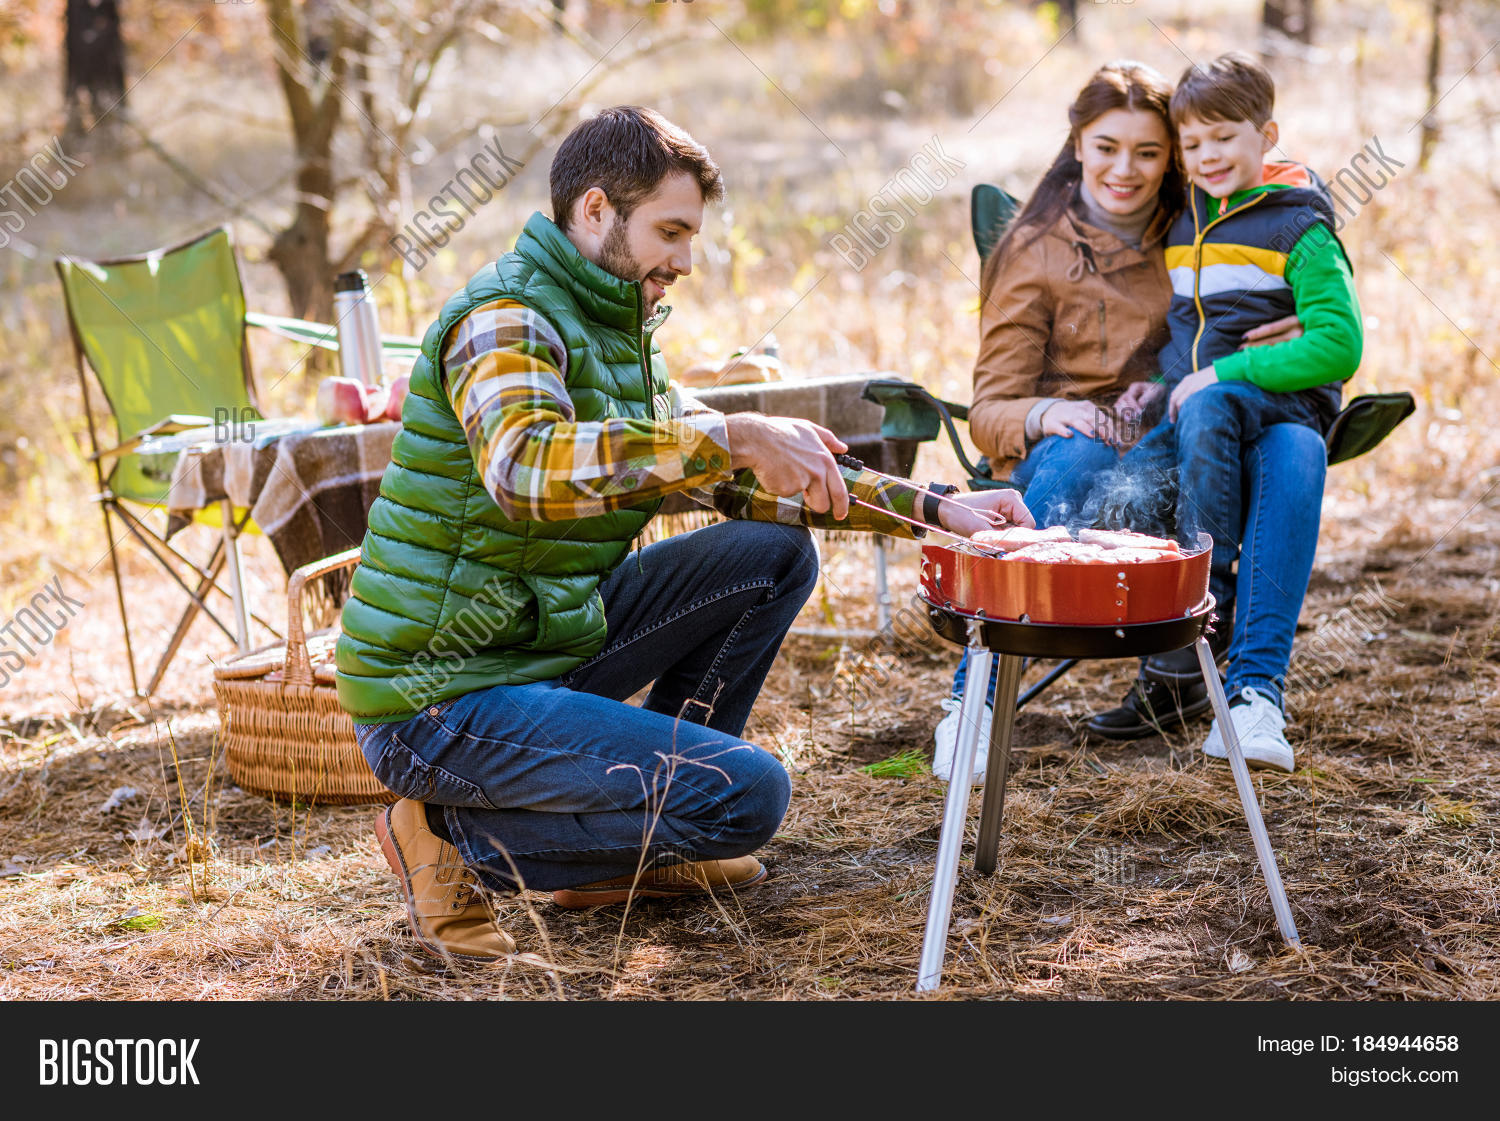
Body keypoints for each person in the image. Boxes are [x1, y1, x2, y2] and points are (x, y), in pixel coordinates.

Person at [334, 106, 1030, 961]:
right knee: (750, 799)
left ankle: (641, 842)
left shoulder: (620, 328)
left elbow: (737, 473)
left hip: (541, 645)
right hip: (438, 699)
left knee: (769, 553)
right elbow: (527, 469)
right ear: (595, 212)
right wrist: (732, 431)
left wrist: (937, 510)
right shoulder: (504, 318)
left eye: (691, 235)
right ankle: (445, 833)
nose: (685, 260)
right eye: (670, 230)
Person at [933, 60, 1304, 782]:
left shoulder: (1206, 224)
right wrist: (1053, 409)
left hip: (1199, 434)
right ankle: (970, 701)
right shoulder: (1034, 249)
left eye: (1147, 151)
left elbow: (1293, 223)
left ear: (1173, 156)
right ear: (1078, 144)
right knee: (1079, 453)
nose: (1124, 170)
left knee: (1296, 442)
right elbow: (989, 411)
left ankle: (1256, 693)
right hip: (1080, 454)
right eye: (1107, 147)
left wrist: (1289, 328)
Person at [1085, 52, 1362, 773]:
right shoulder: (1188, 222)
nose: (1207, 156)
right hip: (1207, 403)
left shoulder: (1299, 224)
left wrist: (1219, 372)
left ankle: (1221, 592)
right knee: (1130, 481)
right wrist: (1161, 380)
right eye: (1193, 143)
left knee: (1212, 408)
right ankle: (1174, 659)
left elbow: (1340, 343)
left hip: (1282, 400)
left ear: (1266, 136)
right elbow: (1192, 325)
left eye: (1225, 138)